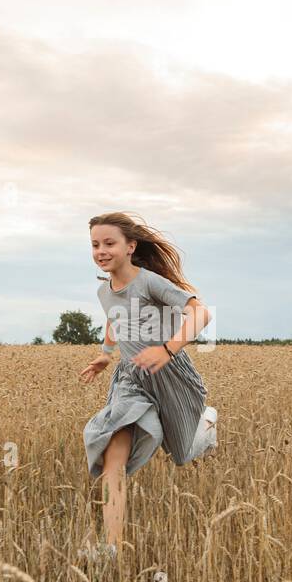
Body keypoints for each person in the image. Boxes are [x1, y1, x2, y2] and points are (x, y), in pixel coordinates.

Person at [78, 212, 217, 561]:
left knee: (183, 454)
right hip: (131, 380)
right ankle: (111, 546)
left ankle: (207, 424)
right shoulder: (103, 291)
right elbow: (114, 321)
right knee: (114, 453)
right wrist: (106, 355)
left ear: (131, 246)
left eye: (109, 243)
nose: (101, 250)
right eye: (95, 244)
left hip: (172, 377)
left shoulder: (151, 283)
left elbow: (202, 314)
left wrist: (168, 349)